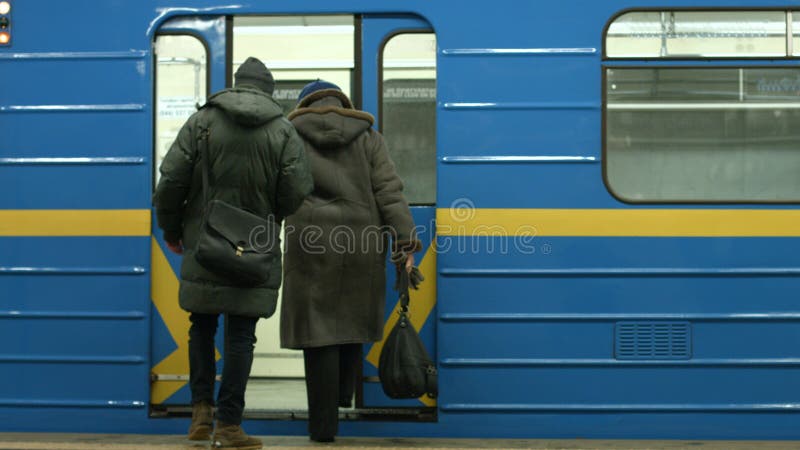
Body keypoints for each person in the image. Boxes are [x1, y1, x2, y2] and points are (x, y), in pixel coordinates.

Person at [153, 57, 313, 449]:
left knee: (201, 327)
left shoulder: (202, 122)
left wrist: (172, 230)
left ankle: (200, 415)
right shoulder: (283, 131)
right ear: (268, 91)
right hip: (253, 246)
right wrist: (266, 210)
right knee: (241, 336)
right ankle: (229, 425)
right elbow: (295, 193)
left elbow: (171, 180)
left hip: (204, 241)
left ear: (236, 85)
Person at [280, 80, 421, 442]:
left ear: (304, 104)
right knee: (351, 320)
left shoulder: (291, 136)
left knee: (319, 334)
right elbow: (389, 191)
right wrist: (405, 243)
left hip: (309, 245)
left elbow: (280, 190)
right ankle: (344, 396)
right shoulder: (369, 137)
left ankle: (323, 427)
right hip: (360, 242)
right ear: (343, 102)